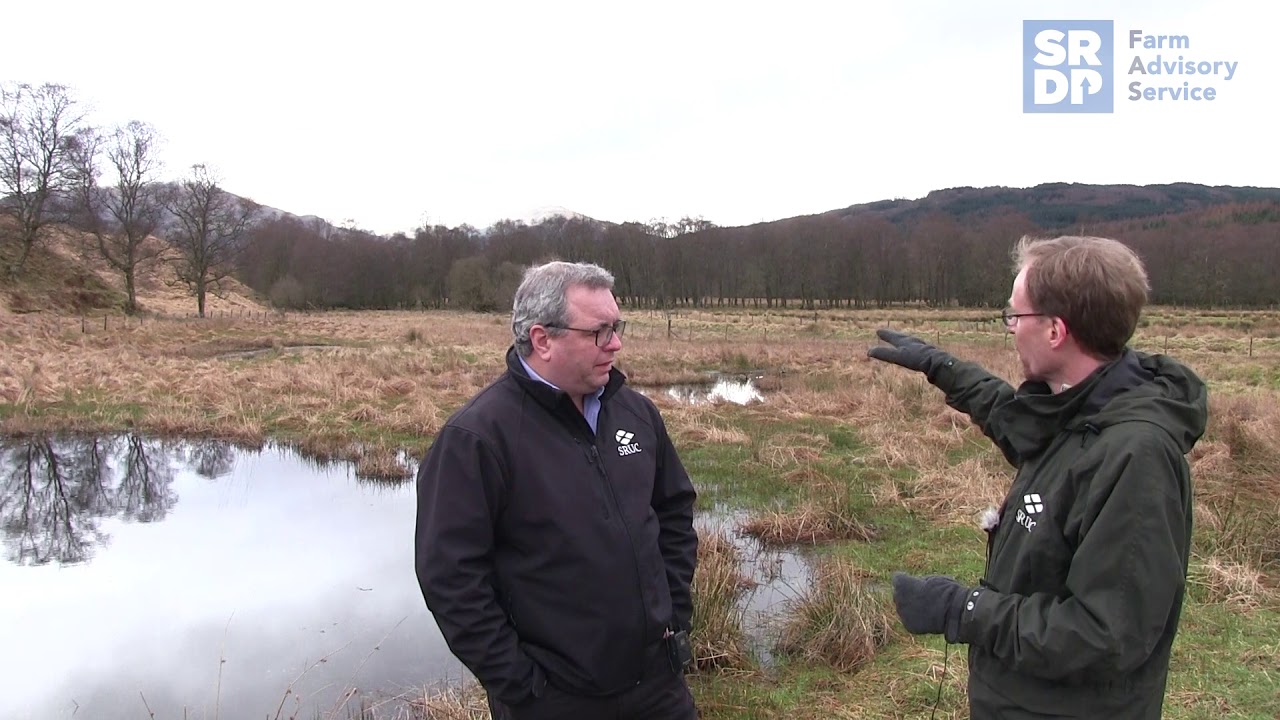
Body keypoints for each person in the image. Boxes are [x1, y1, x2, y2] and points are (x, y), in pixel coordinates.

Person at [868, 235, 1207, 719]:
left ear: (1055, 331)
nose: (1010, 328)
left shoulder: (1137, 459)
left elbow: (1103, 635)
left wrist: (962, 610)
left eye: (1015, 315)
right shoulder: (1086, 406)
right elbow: (1020, 423)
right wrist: (940, 366)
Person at [415, 260, 700, 720]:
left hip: (658, 686)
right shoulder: (478, 439)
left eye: (617, 326)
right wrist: (523, 685)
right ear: (542, 339)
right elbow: (450, 577)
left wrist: (672, 616)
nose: (616, 343)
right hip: (554, 699)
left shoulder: (635, 413)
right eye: (599, 332)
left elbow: (673, 514)